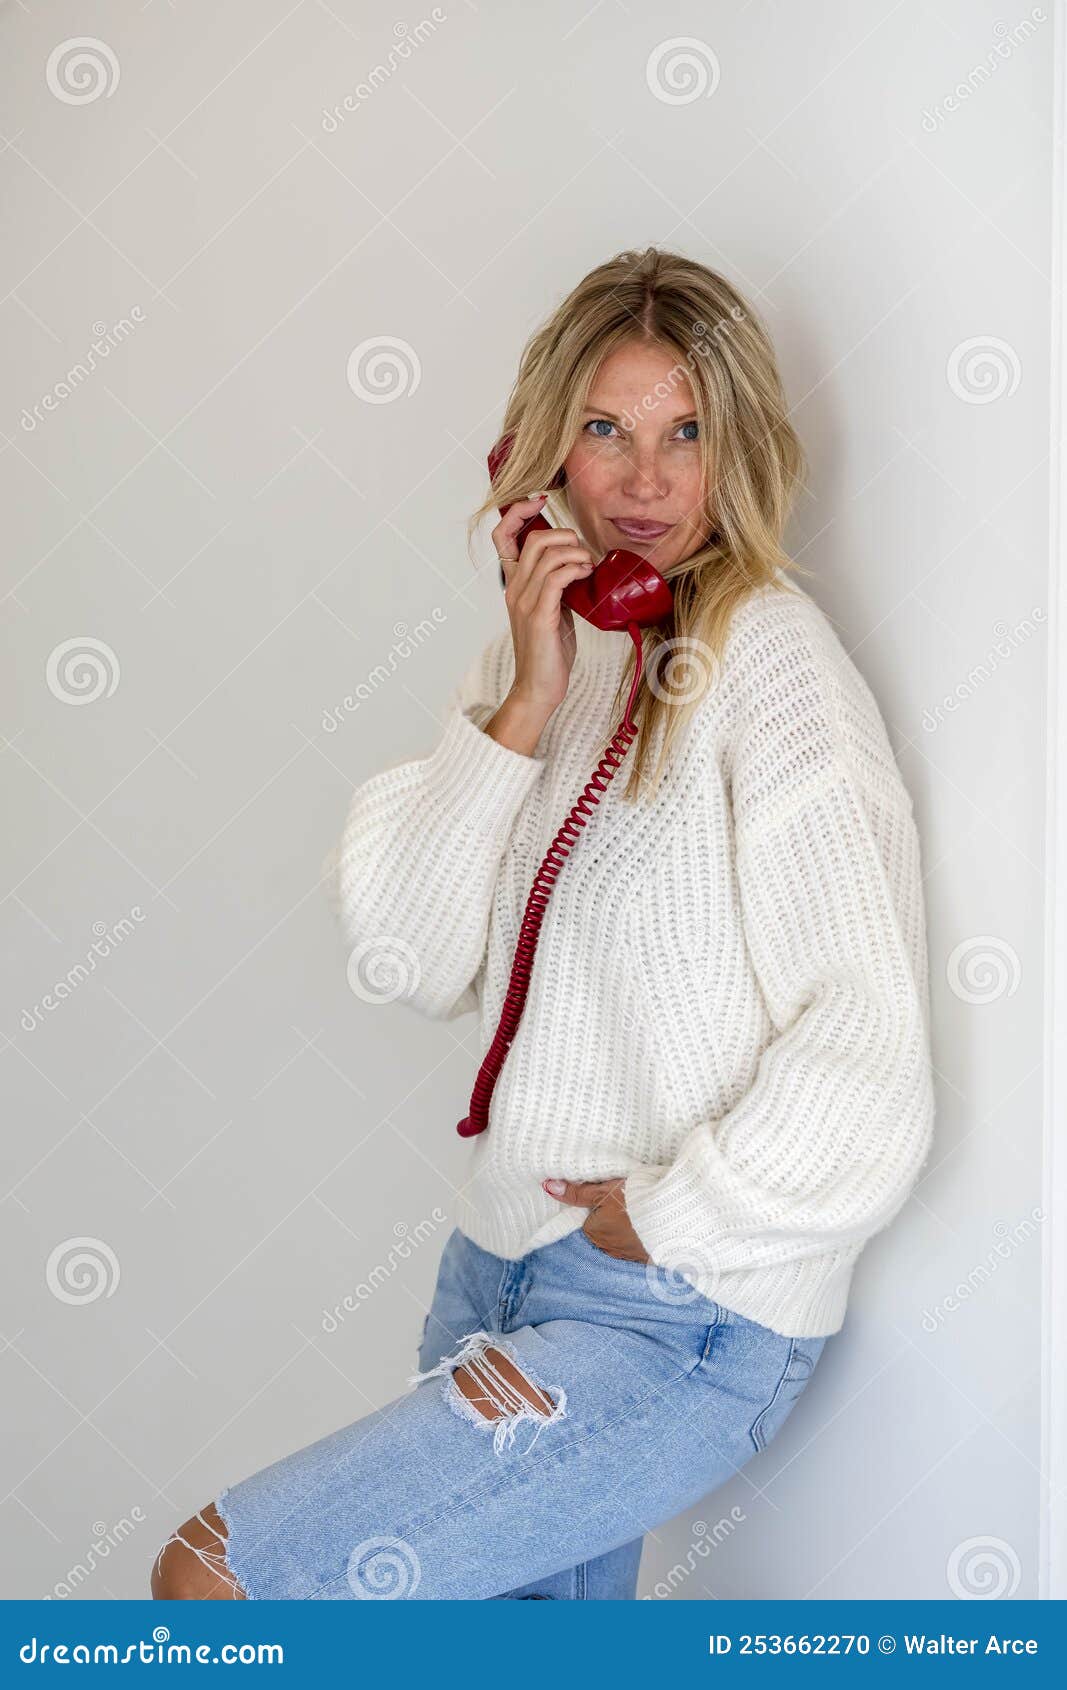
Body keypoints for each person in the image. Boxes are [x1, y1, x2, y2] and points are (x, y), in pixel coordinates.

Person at [151, 246, 935, 1601]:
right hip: (493, 1275)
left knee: (217, 1577)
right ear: (540, 457)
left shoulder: (773, 662)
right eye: (606, 431)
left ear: (734, 449)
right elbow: (408, 954)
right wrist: (521, 703)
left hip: (672, 1311)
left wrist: (682, 1208)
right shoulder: (548, 657)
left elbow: (870, 1041)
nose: (644, 481)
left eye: (686, 433)